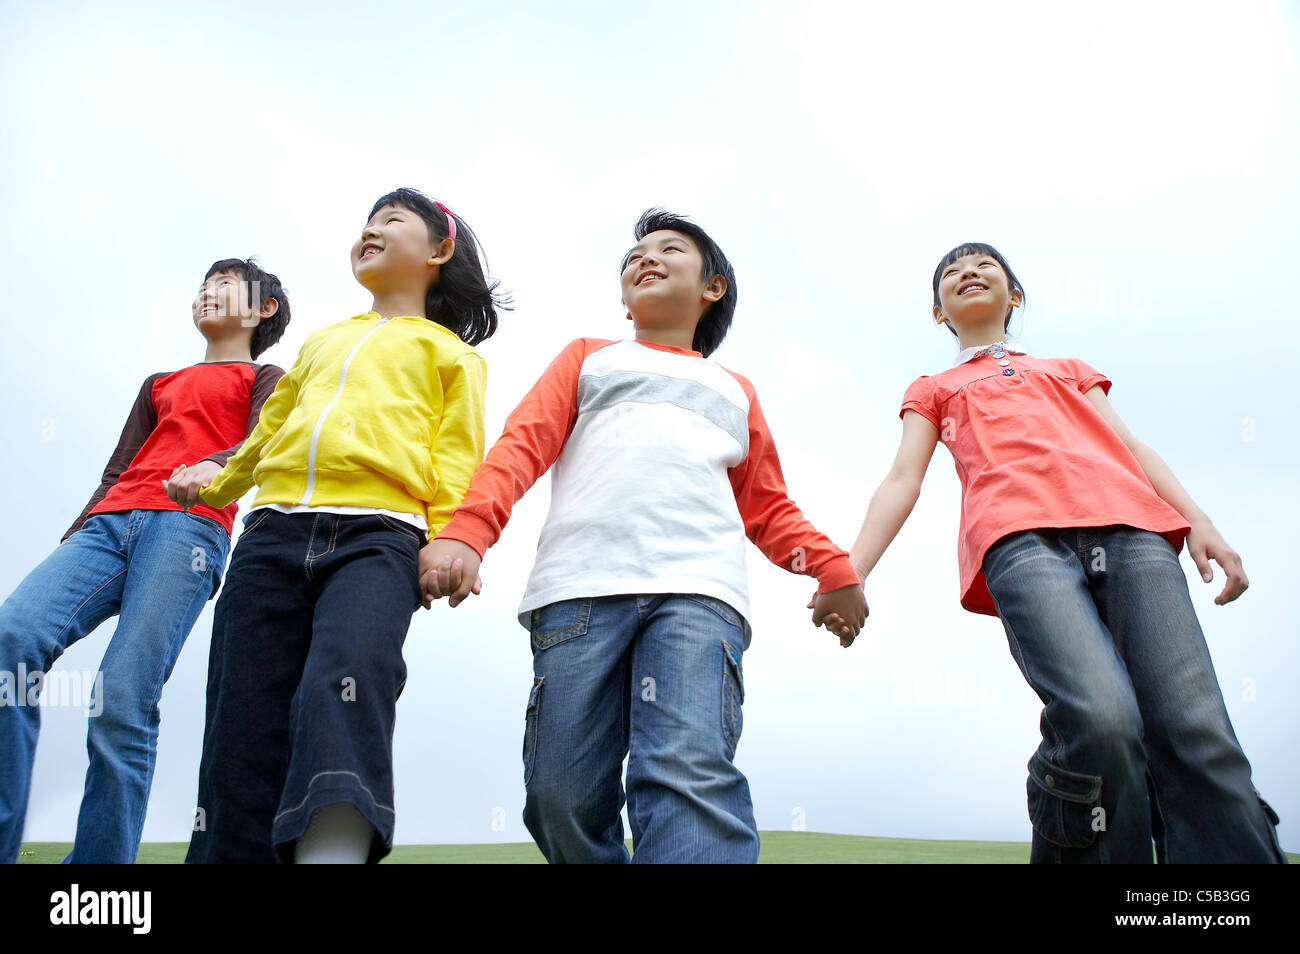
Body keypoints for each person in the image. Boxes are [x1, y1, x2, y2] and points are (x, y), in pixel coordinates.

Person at [424, 208, 867, 864]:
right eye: (634, 255)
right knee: (560, 793)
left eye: (669, 249)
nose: (645, 258)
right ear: (622, 298)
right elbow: (521, 448)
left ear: (712, 288)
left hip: (698, 597)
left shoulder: (733, 389)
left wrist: (834, 570)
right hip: (578, 593)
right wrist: (468, 532)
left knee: (685, 775)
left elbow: (769, 509)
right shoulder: (589, 358)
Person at [826, 242, 1285, 863]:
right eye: (952, 273)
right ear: (940, 312)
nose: (969, 273)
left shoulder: (1068, 368)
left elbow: (1136, 449)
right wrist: (850, 570)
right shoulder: (934, 387)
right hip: (1023, 545)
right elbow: (902, 478)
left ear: (1013, 296)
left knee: (1192, 730)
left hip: (1136, 536)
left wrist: (1199, 521)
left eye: (985, 265)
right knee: (1100, 718)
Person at [177, 188, 506, 864]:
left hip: (379, 537)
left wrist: (452, 537)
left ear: (439, 251)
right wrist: (226, 480)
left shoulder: (452, 356)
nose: (371, 230)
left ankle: (332, 854)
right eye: (367, 222)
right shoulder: (324, 342)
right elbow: (271, 430)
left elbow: (456, 455)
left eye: (392, 220)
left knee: (347, 680)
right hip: (270, 535)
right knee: (242, 709)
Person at [0, 258, 289, 863]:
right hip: (108, 526)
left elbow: (264, 444)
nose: (208, 293)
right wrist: (77, 535)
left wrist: (217, 465)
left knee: (120, 698)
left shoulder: (265, 376)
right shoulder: (159, 382)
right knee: (13, 635)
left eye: (227, 285)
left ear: (264, 309)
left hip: (188, 531)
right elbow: (117, 468)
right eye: (204, 285)